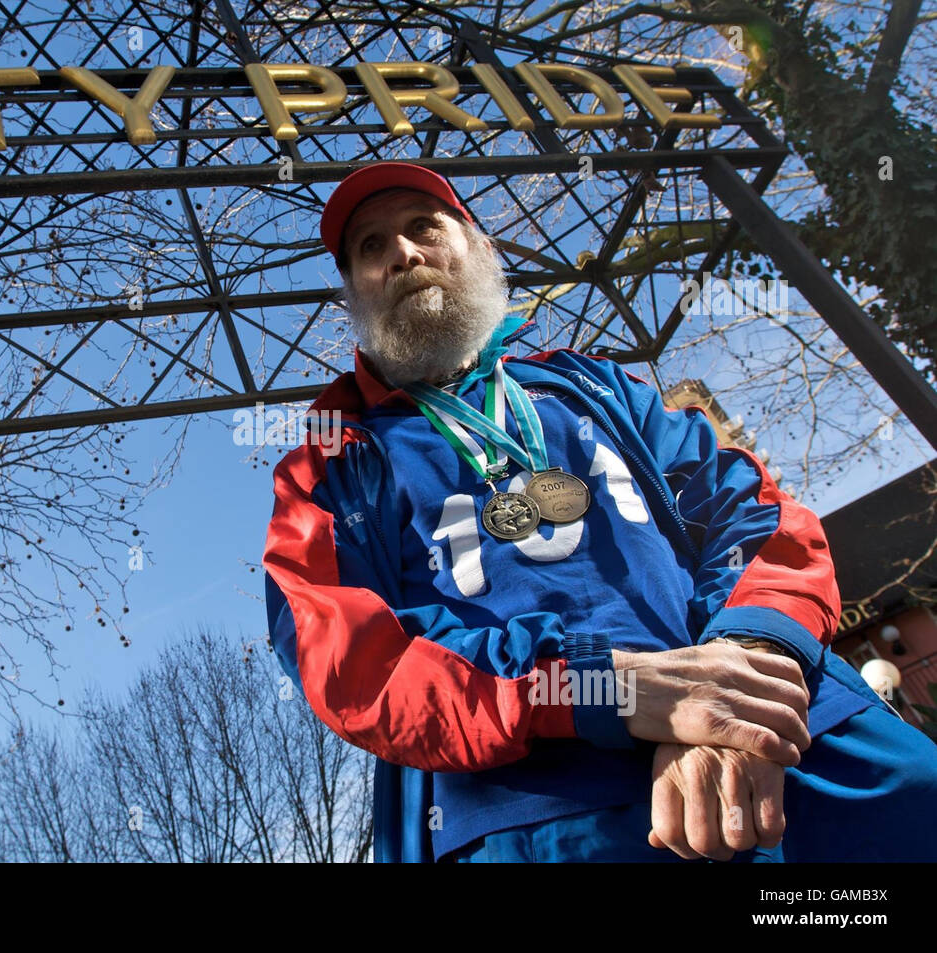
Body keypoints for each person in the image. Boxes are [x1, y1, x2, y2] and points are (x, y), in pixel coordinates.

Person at [261, 160, 937, 863]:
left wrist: (737, 667)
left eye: (424, 226)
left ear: (481, 250)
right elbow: (348, 656)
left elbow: (755, 514)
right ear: (353, 295)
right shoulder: (331, 460)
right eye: (370, 247)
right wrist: (603, 688)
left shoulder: (596, 383)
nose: (402, 253)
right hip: (542, 799)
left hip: (782, 720)